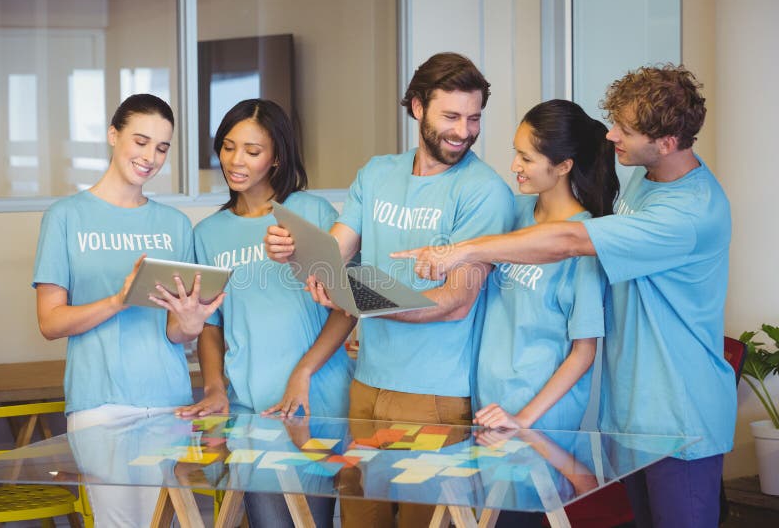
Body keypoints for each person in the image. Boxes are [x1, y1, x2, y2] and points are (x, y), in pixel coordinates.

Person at [396, 64, 735, 527]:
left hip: (681, 420)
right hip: (630, 416)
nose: (612, 135)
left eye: (628, 130)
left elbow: (571, 241)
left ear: (668, 142)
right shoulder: (646, 178)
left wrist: (462, 251)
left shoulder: (690, 214)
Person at [266, 52, 516, 527]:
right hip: (366, 387)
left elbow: (456, 302)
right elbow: (335, 254)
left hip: (435, 398)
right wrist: (297, 253)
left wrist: (359, 299)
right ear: (418, 107)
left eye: (473, 118)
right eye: (451, 116)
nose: (463, 131)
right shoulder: (378, 173)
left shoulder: (485, 192)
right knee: (362, 520)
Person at [33, 93, 222, 526]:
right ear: (113, 135)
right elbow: (50, 322)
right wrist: (118, 300)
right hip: (100, 403)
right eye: (141, 141)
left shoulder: (174, 225)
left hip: (170, 402)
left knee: (166, 522)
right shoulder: (66, 217)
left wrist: (192, 322)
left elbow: (176, 330)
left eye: (161, 147)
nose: (150, 157)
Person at [176, 99, 354, 528]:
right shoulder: (208, 234)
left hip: (317, 402)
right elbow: (210, 325)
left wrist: (303, 372)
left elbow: (347, 307)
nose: (236, 161)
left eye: (253, 151)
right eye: (228, 147)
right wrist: (215, 388)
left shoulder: (313, 213)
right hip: (250, 410)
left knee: (314, 520)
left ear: (276, 157)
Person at [469, 99, 618, 527]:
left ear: (564, 165)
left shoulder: (585, 242)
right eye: (516, 152)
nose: (514, 165)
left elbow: (583, 352)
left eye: (526, 157)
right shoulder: (513, 215)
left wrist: (524, 420)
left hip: (541, 426)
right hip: (489, 412)